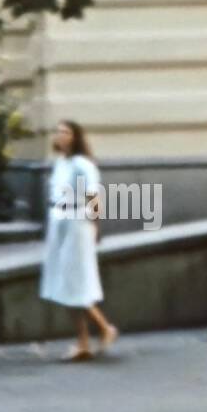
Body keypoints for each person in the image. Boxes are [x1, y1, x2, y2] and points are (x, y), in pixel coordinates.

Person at [39, 120, 119, 361]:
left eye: (66, 132)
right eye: (59, 131)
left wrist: (96, 225)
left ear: (76, 137)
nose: (60, 136)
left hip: (76, 222)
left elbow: (93, 197)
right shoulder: (61, 164)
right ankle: (83, 341)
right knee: (65, 283)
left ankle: (104, 328)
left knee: (75, 280)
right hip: (60, 221)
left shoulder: (83, 165)